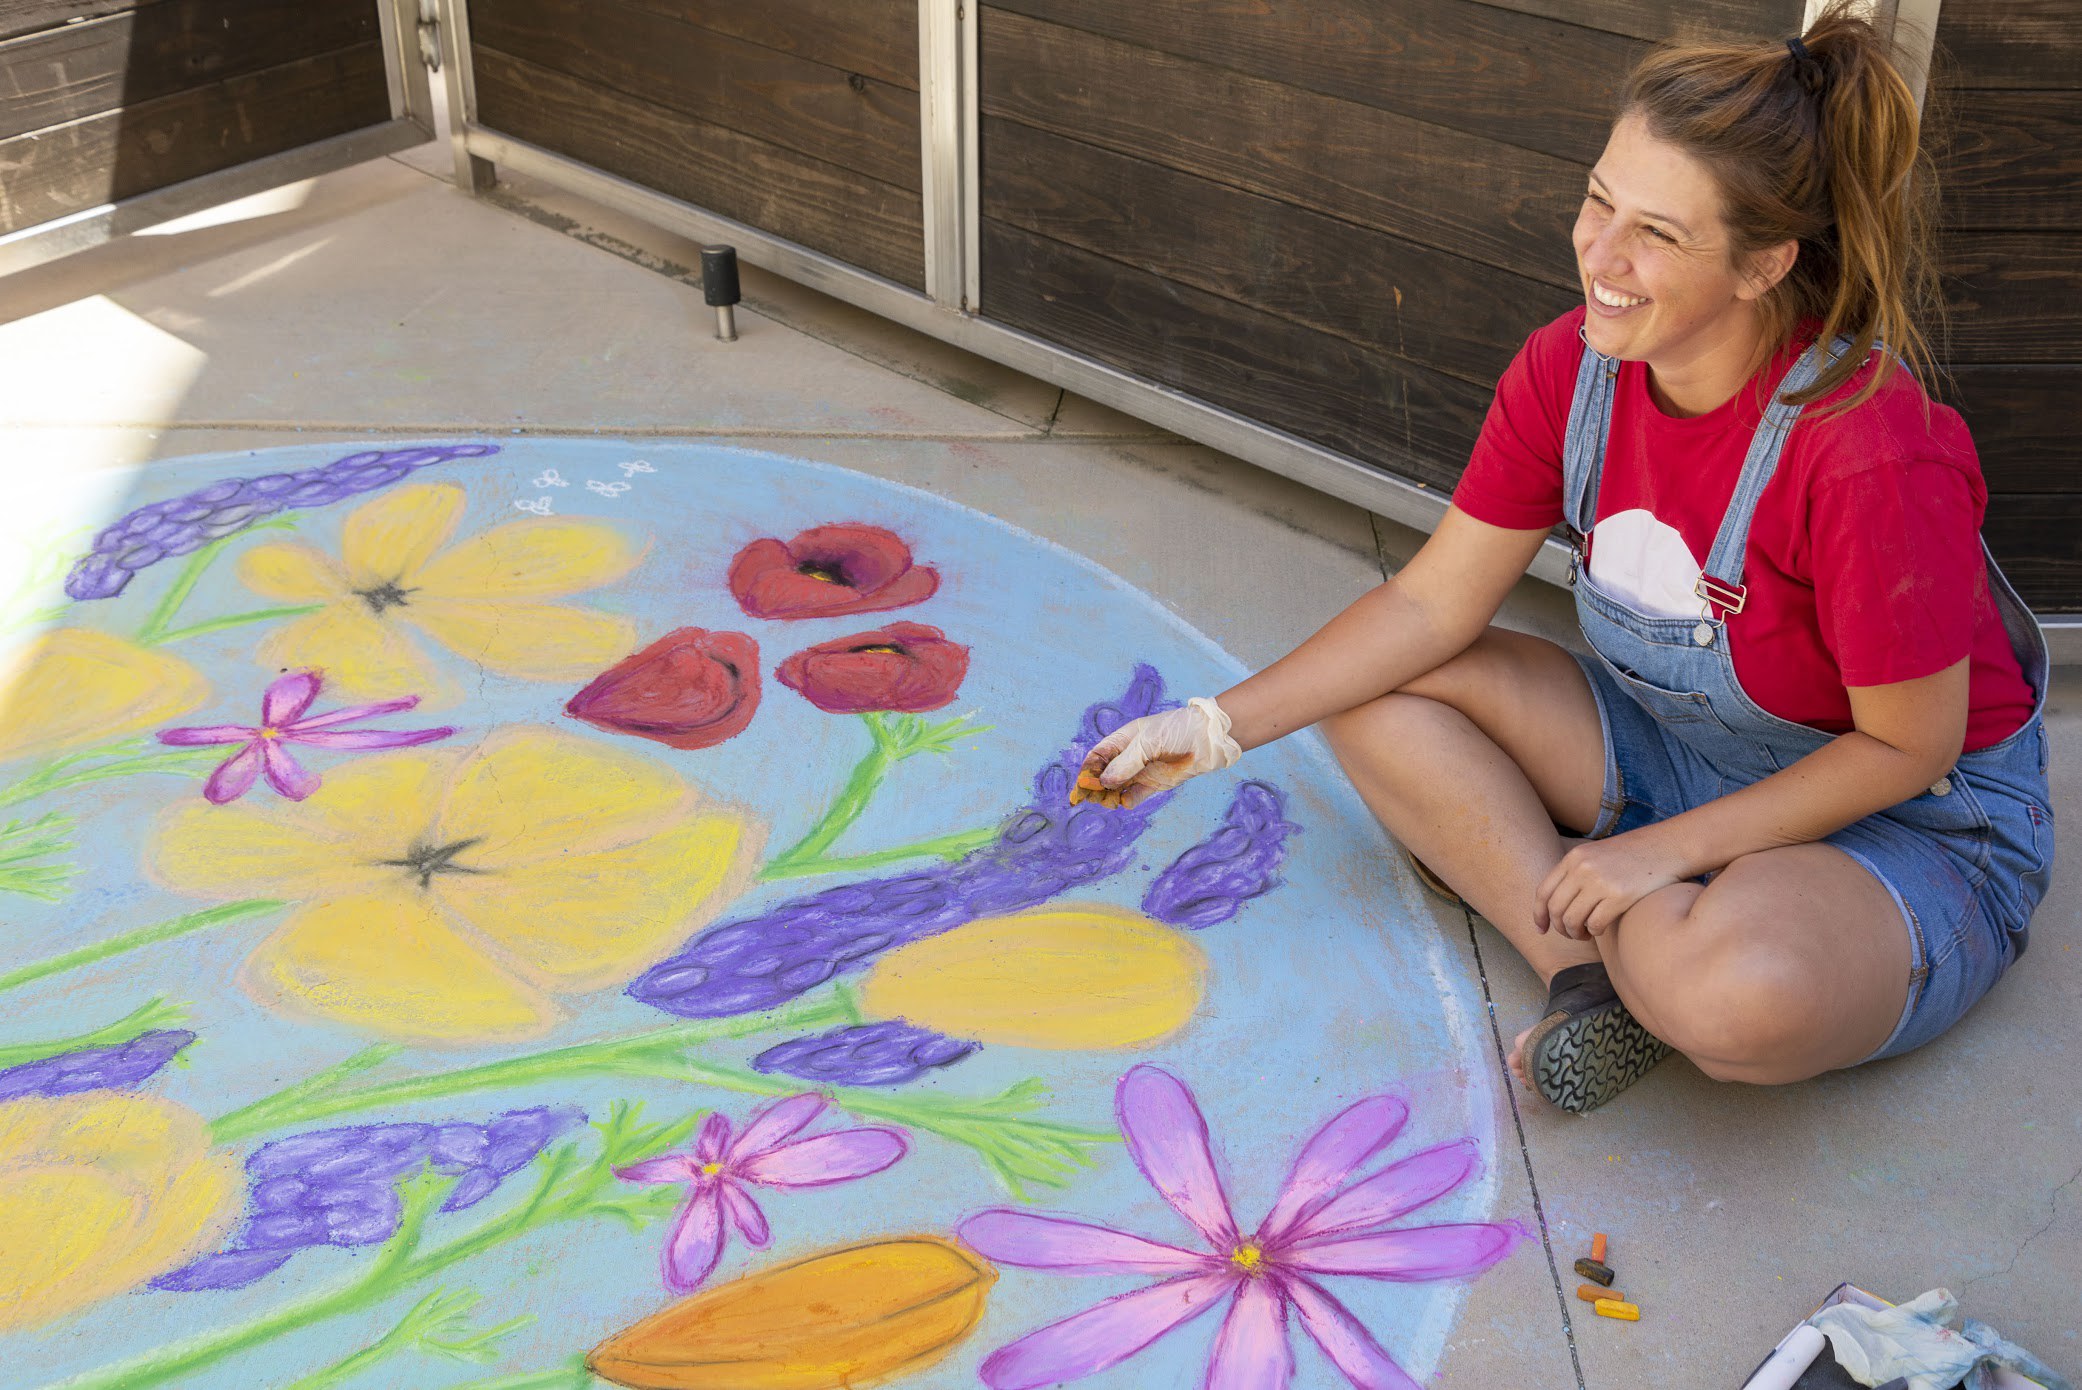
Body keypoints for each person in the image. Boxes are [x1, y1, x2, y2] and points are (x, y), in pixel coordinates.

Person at [1082, 3, 2054, 1114]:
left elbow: (1908, 744)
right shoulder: (1571, 368)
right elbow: (1430, 607)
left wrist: (1655, 853)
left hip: (1913, 817)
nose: (1601, 255)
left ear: (1763, 264)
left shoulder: (1866, 450)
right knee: (1374, 691)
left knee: (1736, 1003)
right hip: (1690, 747)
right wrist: (1211, 728)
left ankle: (1635, 907)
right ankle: (1584, 973)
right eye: (1600, 200)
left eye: (1658, 235)